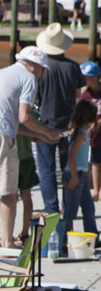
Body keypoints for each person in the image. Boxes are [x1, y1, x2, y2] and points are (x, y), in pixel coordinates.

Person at [0, 47, 62, 253]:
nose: (42, 74)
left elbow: (12, 122)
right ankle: (8, 244)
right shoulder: (28, 78)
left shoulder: (1, 73)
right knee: (9, 193)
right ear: (32, 65)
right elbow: (24, 117)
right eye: (42, 69)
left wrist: (41, 136)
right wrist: (50, 131)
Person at [34, 23, 85, 226]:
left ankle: (52, 209)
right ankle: (68, 207)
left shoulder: (42, 69)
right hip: (68, 126)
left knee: (46, 170)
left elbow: (35, 96)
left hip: (45, 126)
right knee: (67, 167)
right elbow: (77, 95)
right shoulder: (73, 67)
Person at [61, 100, 99, 255]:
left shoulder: (81, 132)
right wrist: (75, 177)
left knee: (89, 207)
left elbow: (81, 157)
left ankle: (92, 237)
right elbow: (71, 156)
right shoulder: (81, 134)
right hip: (74, 175)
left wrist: (85, 172)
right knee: (70, 210)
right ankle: (64, 241)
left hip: (81, 174)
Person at [77, 61, 101, 200]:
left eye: (86, 77)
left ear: (94, 77)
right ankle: (96, 191)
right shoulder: (85, 95)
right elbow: (80, 113)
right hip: (94, 136)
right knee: (95, 162)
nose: (84, 79)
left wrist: (98, 123)